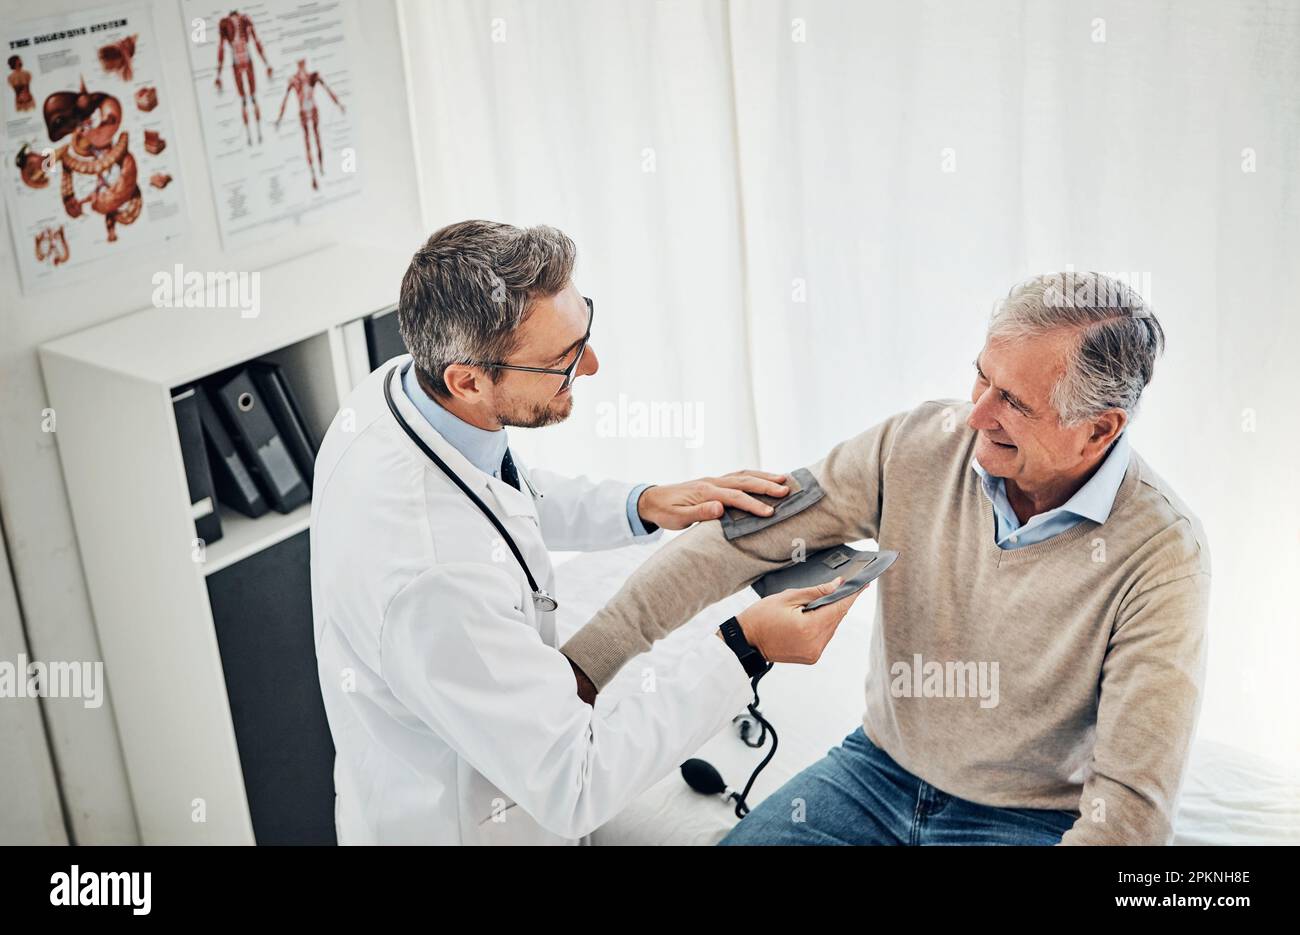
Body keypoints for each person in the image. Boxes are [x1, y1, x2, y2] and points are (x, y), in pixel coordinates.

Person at [310, 220, 864, 844]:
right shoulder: (433, 579)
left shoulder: (401, 390)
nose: (592, 365)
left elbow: (501, 491)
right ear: (468, 379)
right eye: (562, 360)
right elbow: (576, 784)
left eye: (584, 330)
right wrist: (746, 647)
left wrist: (644, 504)